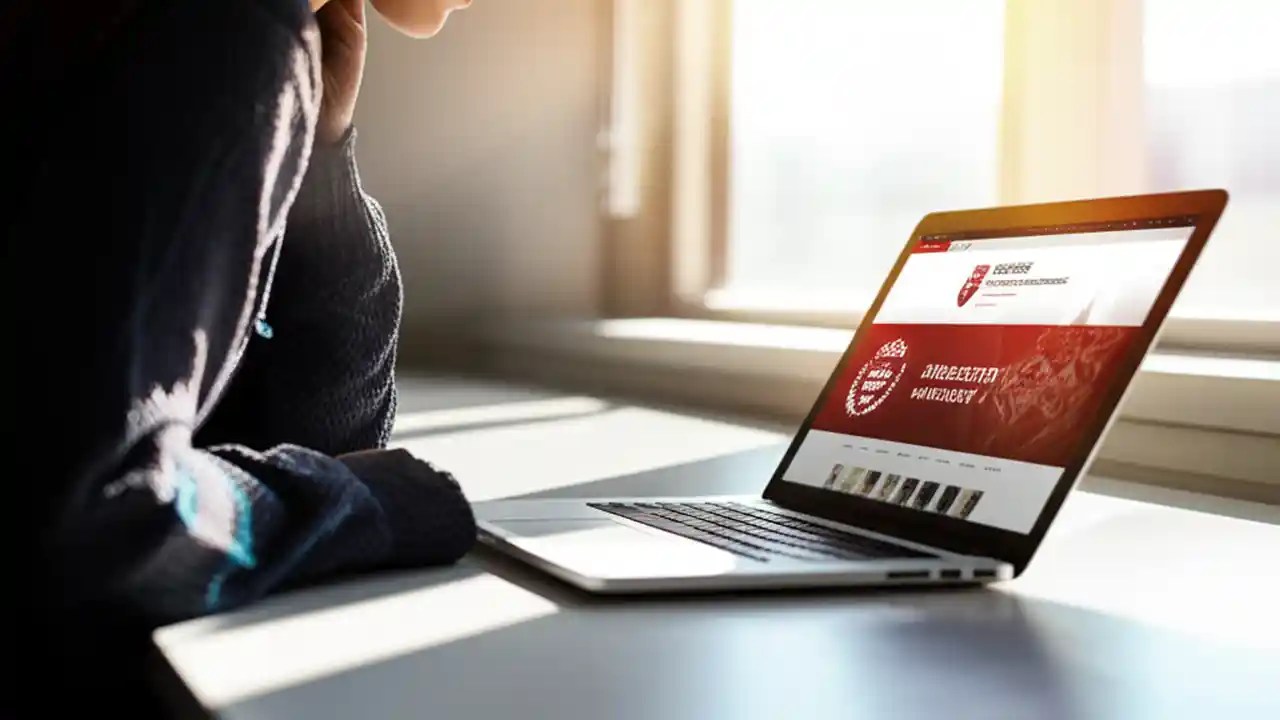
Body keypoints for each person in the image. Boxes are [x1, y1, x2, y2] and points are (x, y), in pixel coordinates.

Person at [7, 0, 476, 713]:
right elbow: (104, 523)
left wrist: (322, 160)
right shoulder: (223, 35)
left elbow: (322, 443)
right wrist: (375, 505)